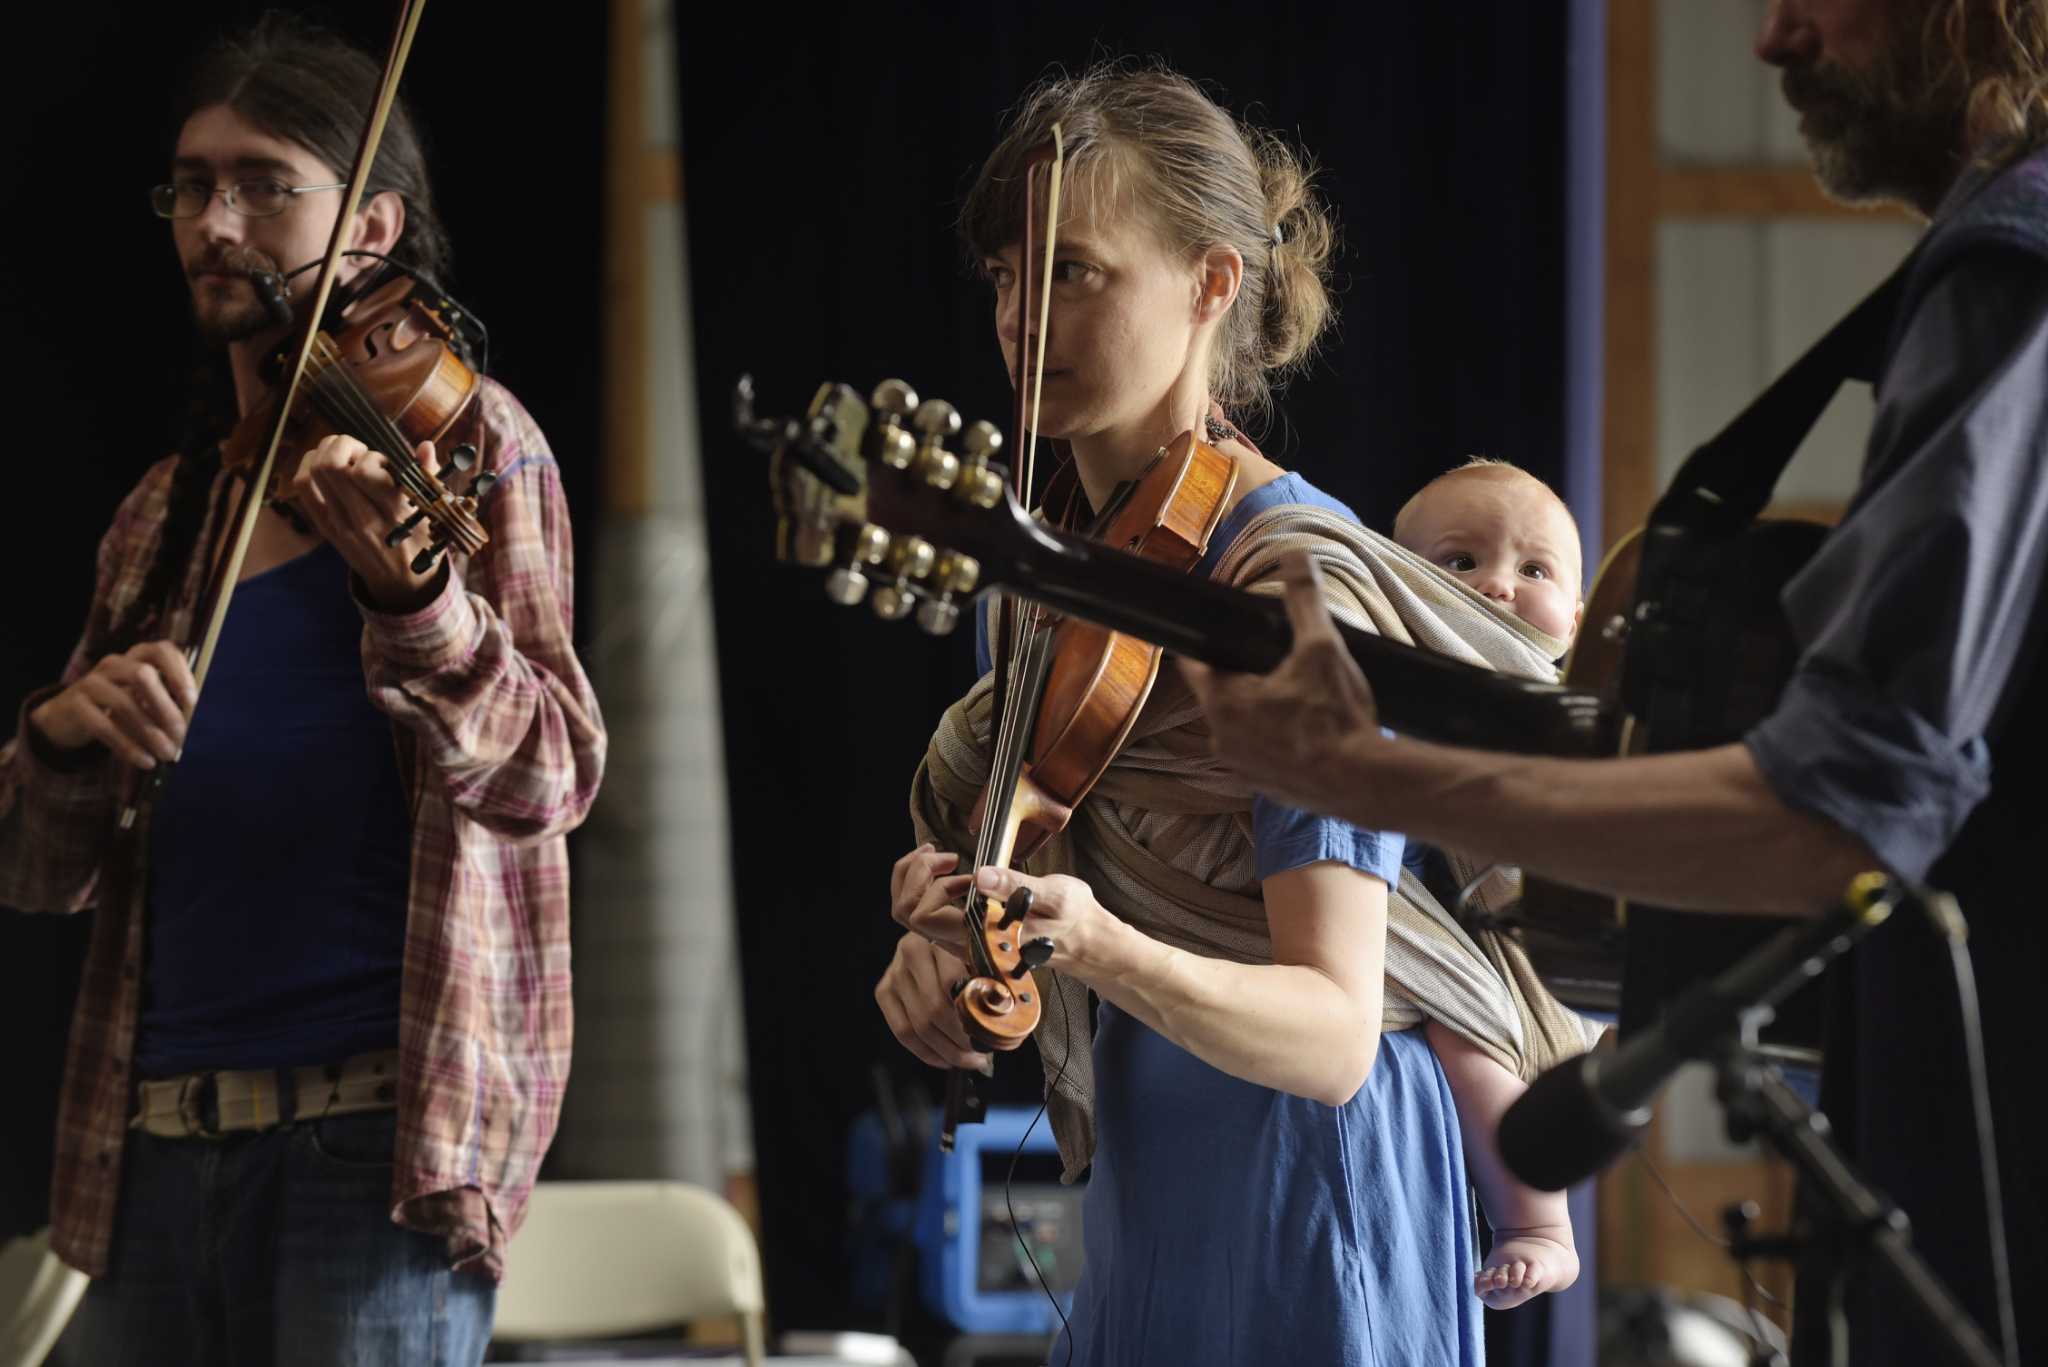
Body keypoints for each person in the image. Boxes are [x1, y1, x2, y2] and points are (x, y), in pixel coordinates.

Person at [1180, 3, 2048, 1364]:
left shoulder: (2010, 271)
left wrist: (1362, 772)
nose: (1772, 44)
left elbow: (1839, 811)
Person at [872, 64, 1595, 1365]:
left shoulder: (1287, 577)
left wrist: (1097, 944)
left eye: (1075, 272)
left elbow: (1328, 1030)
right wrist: (948, 946)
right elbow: (1049, 911)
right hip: (1149, 1186)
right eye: (1002, 275)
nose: (1022, 315)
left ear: (1213, 286)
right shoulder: (1039, 586)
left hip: (1319, 1189)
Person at [0, 15, 606, 1365]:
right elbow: (37, 871)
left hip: (367, 1148)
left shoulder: (473, 445)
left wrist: (414, 599)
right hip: (152, 1140)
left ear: (375, 226)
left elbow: (554, 770)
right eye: (194, 185)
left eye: (267, 184)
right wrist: (59, 730)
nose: (219, 223)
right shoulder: (166, 511)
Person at [1393, 458, 1586, 1308]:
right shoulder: (1397, 682)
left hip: (1542, 981)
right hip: (1461, 946)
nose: (1498, 587)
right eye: (1459, 561)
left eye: (1534, 568)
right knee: (1450, 1017)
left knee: (1463, 1037)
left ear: (1577, 618)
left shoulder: (1560, 705)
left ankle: (1542, 1225)